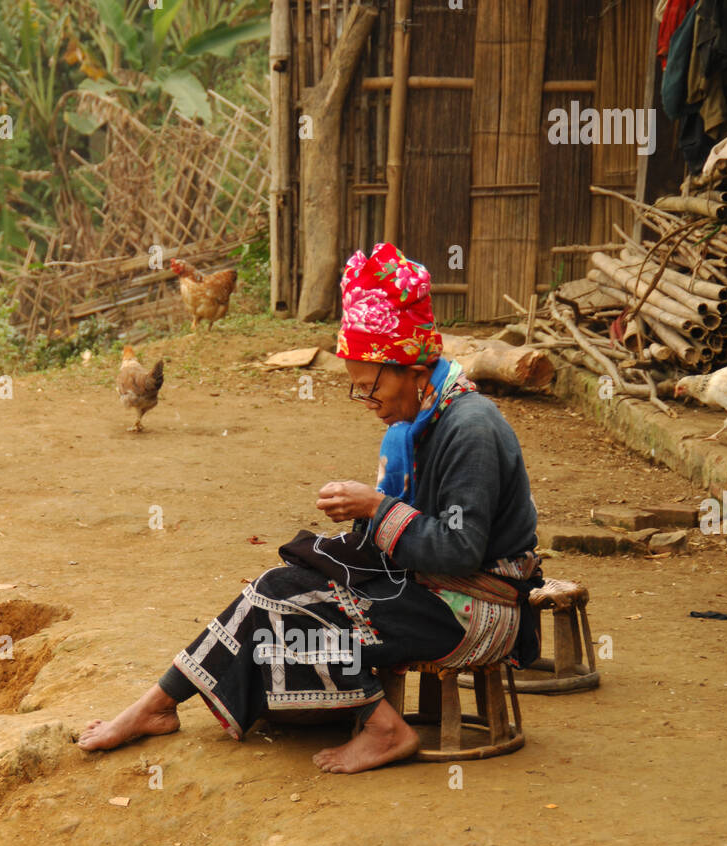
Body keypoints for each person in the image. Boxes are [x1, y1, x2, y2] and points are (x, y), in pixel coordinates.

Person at [80, 242, 541, 774]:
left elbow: (461, 550)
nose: (368, 402)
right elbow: (413, 536)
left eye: (371, 388)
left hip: (474, 607)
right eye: (359, 390)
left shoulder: (471, 428)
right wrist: (356, 527)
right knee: (275, 585)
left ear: (413, 369)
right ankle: (155, 707)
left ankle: (383, 727)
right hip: (427, 588)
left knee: (293, 611)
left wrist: (376, 506)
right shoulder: (419, 425)